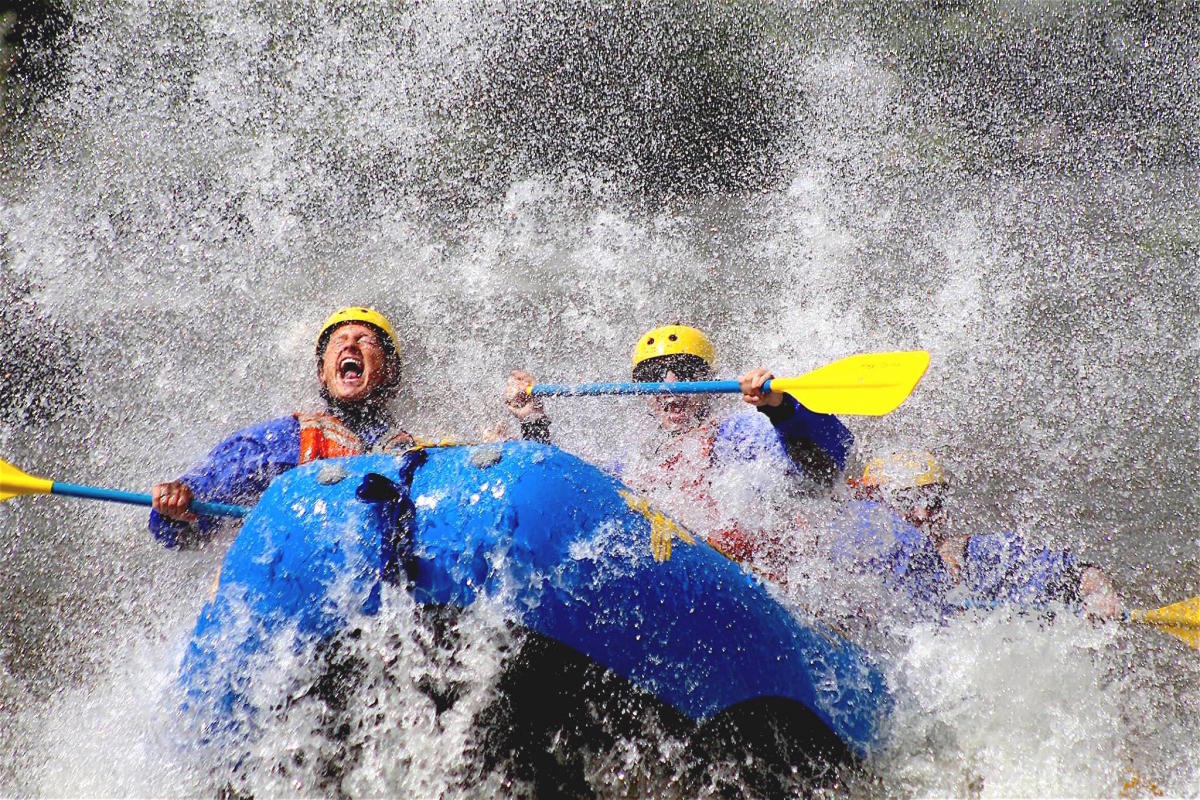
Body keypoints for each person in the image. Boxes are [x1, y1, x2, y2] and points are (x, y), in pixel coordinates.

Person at [504, 324, 854, 573]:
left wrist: (779, 407)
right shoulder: (635, 460)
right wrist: (535, 425)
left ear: (708, 380)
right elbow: (577, 499)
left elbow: (826, 471)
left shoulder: (739, 434)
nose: (670, 384)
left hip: (754, 581)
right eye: (653, 375)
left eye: (685, 370)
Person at [150, 306, 420, 548]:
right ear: (322, 373)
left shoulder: (410, 451)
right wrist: (177, 502)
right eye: (340, 340)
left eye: (365, 340)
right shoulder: (285, 439)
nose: (350, 346)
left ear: (390, 370)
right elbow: (182, 523)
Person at [839, 450, 1123, 620]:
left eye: (933, 499)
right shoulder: (845, 547)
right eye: (909, 499)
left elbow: (1076, 573)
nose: (923, 512)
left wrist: (1102, 595)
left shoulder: (973, 556)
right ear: (873, 501)